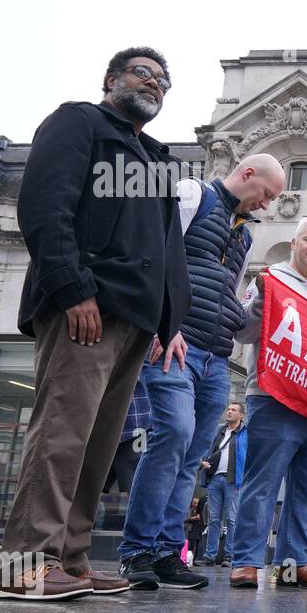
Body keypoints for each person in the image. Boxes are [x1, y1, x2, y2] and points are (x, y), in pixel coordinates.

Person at [0, 48, 191, 601]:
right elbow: (43, 207)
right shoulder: (77, 122)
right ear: (112, 79)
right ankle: (25, 565)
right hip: (87, 306)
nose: (153, 84)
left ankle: (72, 560)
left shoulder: (156, 159)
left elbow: (165, 245)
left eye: (162, 81)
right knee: (62, 433)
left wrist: (169, 319)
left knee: (99, 445)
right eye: (141, 73)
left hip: (136, 319)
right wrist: (73, 288)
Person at [118, 154, 283, 590]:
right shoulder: (192, 194)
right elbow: (149, 256)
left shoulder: (243, 236)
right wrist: (161, 323)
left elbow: (232, 306)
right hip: (177, 344)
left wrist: (261, 307)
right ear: (248, 174)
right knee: (172, 435)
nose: (267, 205)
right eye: (268, 194)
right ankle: (136, 551)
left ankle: (168, 554)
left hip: (214, 356)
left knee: (191, 455)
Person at [229, 217, 307, 588]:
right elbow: (243, 332)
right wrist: (263, 301)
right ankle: (246, 561)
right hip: (273, 397)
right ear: (294, 243)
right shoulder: (270, 281)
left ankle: (292, 564)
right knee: (262, 483)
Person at [195, 401, 249, 566]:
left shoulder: (245, 433)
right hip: (215, 479)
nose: (229, 412)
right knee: (213, 519)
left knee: (231, 518)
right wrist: (202, 462)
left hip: (233, 479)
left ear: (241, 415)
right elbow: (206, 447)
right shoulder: (219, 430)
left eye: (234, 410)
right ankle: (210, 556)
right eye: (228, 409)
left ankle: (229, 556)